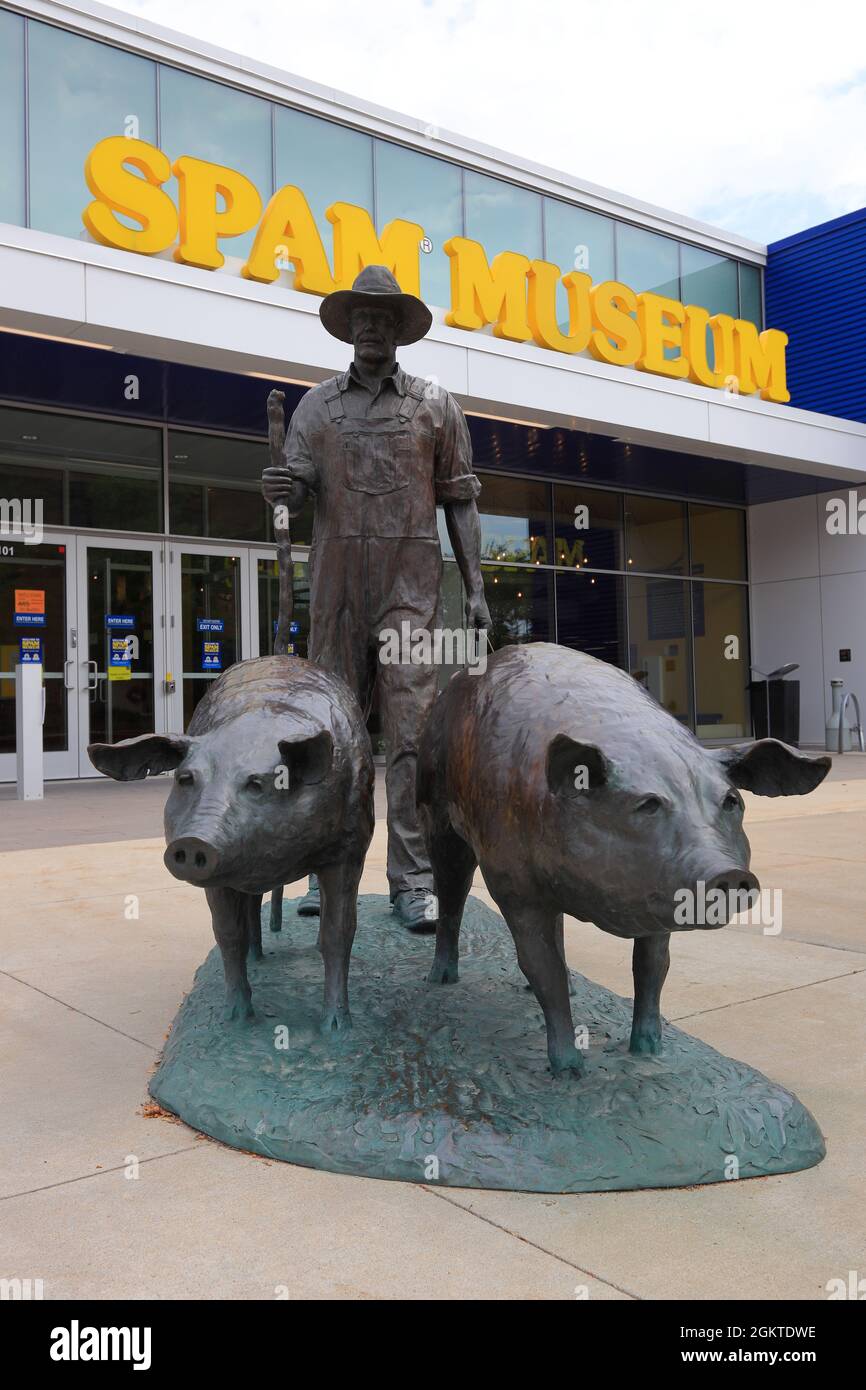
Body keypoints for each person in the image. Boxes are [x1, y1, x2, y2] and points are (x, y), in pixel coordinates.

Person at [262, 265, 490, 930]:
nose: (369, 326)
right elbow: (296, 488)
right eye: (360, 316)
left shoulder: (434, 404)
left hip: (410, 590)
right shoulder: (316, 405)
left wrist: (475, 588)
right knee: (329, 735)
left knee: (413, 735)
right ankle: (321, 868)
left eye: (381, 317)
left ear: (398, 330)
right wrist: (281, 491)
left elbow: (463, 503)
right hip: (335, 591)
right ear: (349, 327)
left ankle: (413, 878)